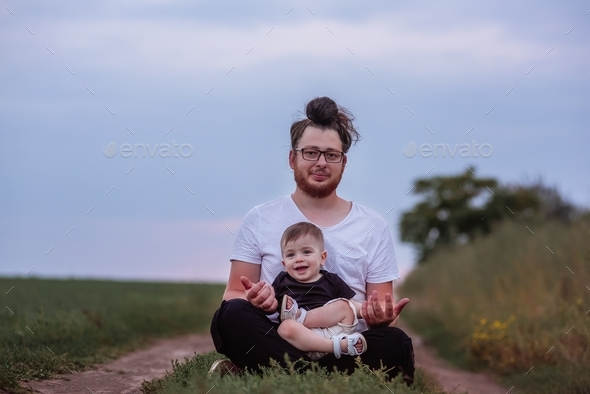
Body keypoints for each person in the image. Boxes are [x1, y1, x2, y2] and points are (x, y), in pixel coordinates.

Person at [210, 96, 414, 383]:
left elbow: (383, 312)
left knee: (396, 342)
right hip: (280, 338)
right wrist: (258, 300)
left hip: (344, 344)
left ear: (343, 162)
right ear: (293, 158)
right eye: (311, 153)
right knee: (231, 315)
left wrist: (382, 318)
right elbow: (233, 293)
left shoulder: (373, 226)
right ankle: (323, 380)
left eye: (331, 155)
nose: (321, 163)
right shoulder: (259, 218)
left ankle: (273, 374)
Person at [272, 221, 367, 360]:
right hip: (301, 340)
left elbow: (353, 308)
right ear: (284, 264)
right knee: (285, 327)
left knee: (346, 305)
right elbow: (270, 305)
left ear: (322, 258)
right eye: (291, 255)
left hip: (333, 331)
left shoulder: (331, 280)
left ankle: (300, 316)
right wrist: (261, 300)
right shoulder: (282, 280)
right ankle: (336, 347)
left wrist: (368, 310)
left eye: (306, 252)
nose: (298, 259)